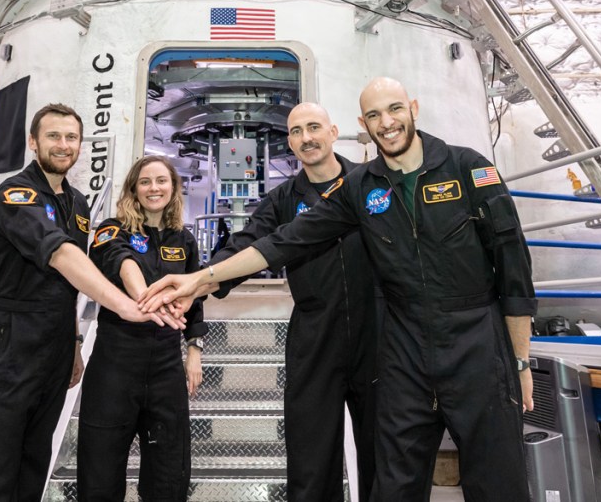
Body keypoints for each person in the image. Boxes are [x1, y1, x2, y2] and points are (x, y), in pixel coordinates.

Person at [141, 78, 537, 502]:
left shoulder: (465, 168)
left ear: (413, 109)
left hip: (438, 339)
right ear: (362, 124)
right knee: (387, 479)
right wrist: (201, 279)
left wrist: (519, 360)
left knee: (490, 476)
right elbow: (279, 242)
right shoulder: (358, 188)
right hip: (371, 346)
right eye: (374, 115)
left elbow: (512, 264)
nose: (386, 123)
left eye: (394, 109)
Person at [0, 104, 183, 502]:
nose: (63, 145)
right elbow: (59, 255)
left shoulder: (77, 203)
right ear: (33, 142)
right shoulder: (14, 193)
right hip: (9, 340)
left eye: (71, 137)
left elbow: (68, 283)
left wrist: (74, 343)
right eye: (54, 136)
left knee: (32, 459)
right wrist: (125, 305)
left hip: (56, 340)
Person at [200, 102, 378, 502]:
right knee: (311, 458)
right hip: (316, 336)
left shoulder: (370, 183)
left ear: (334, 132)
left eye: (314, 127)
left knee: (385, 457)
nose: (306, 138)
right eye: (296, 132)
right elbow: (249, 242)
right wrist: (204, 282)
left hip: (379, 335)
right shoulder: (284, 198)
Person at [77, 155, 208, 502]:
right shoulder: (111, 227)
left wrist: (193, 348)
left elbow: (194, 297)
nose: (154, 188)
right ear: (133, 189)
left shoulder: (184, 239)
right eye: (146, 181)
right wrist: (149, 300)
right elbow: (122, 261)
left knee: (169, 475)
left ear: (173, 188)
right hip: (115, 366)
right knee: (100, 474)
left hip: (165, 366)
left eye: (161, 181)